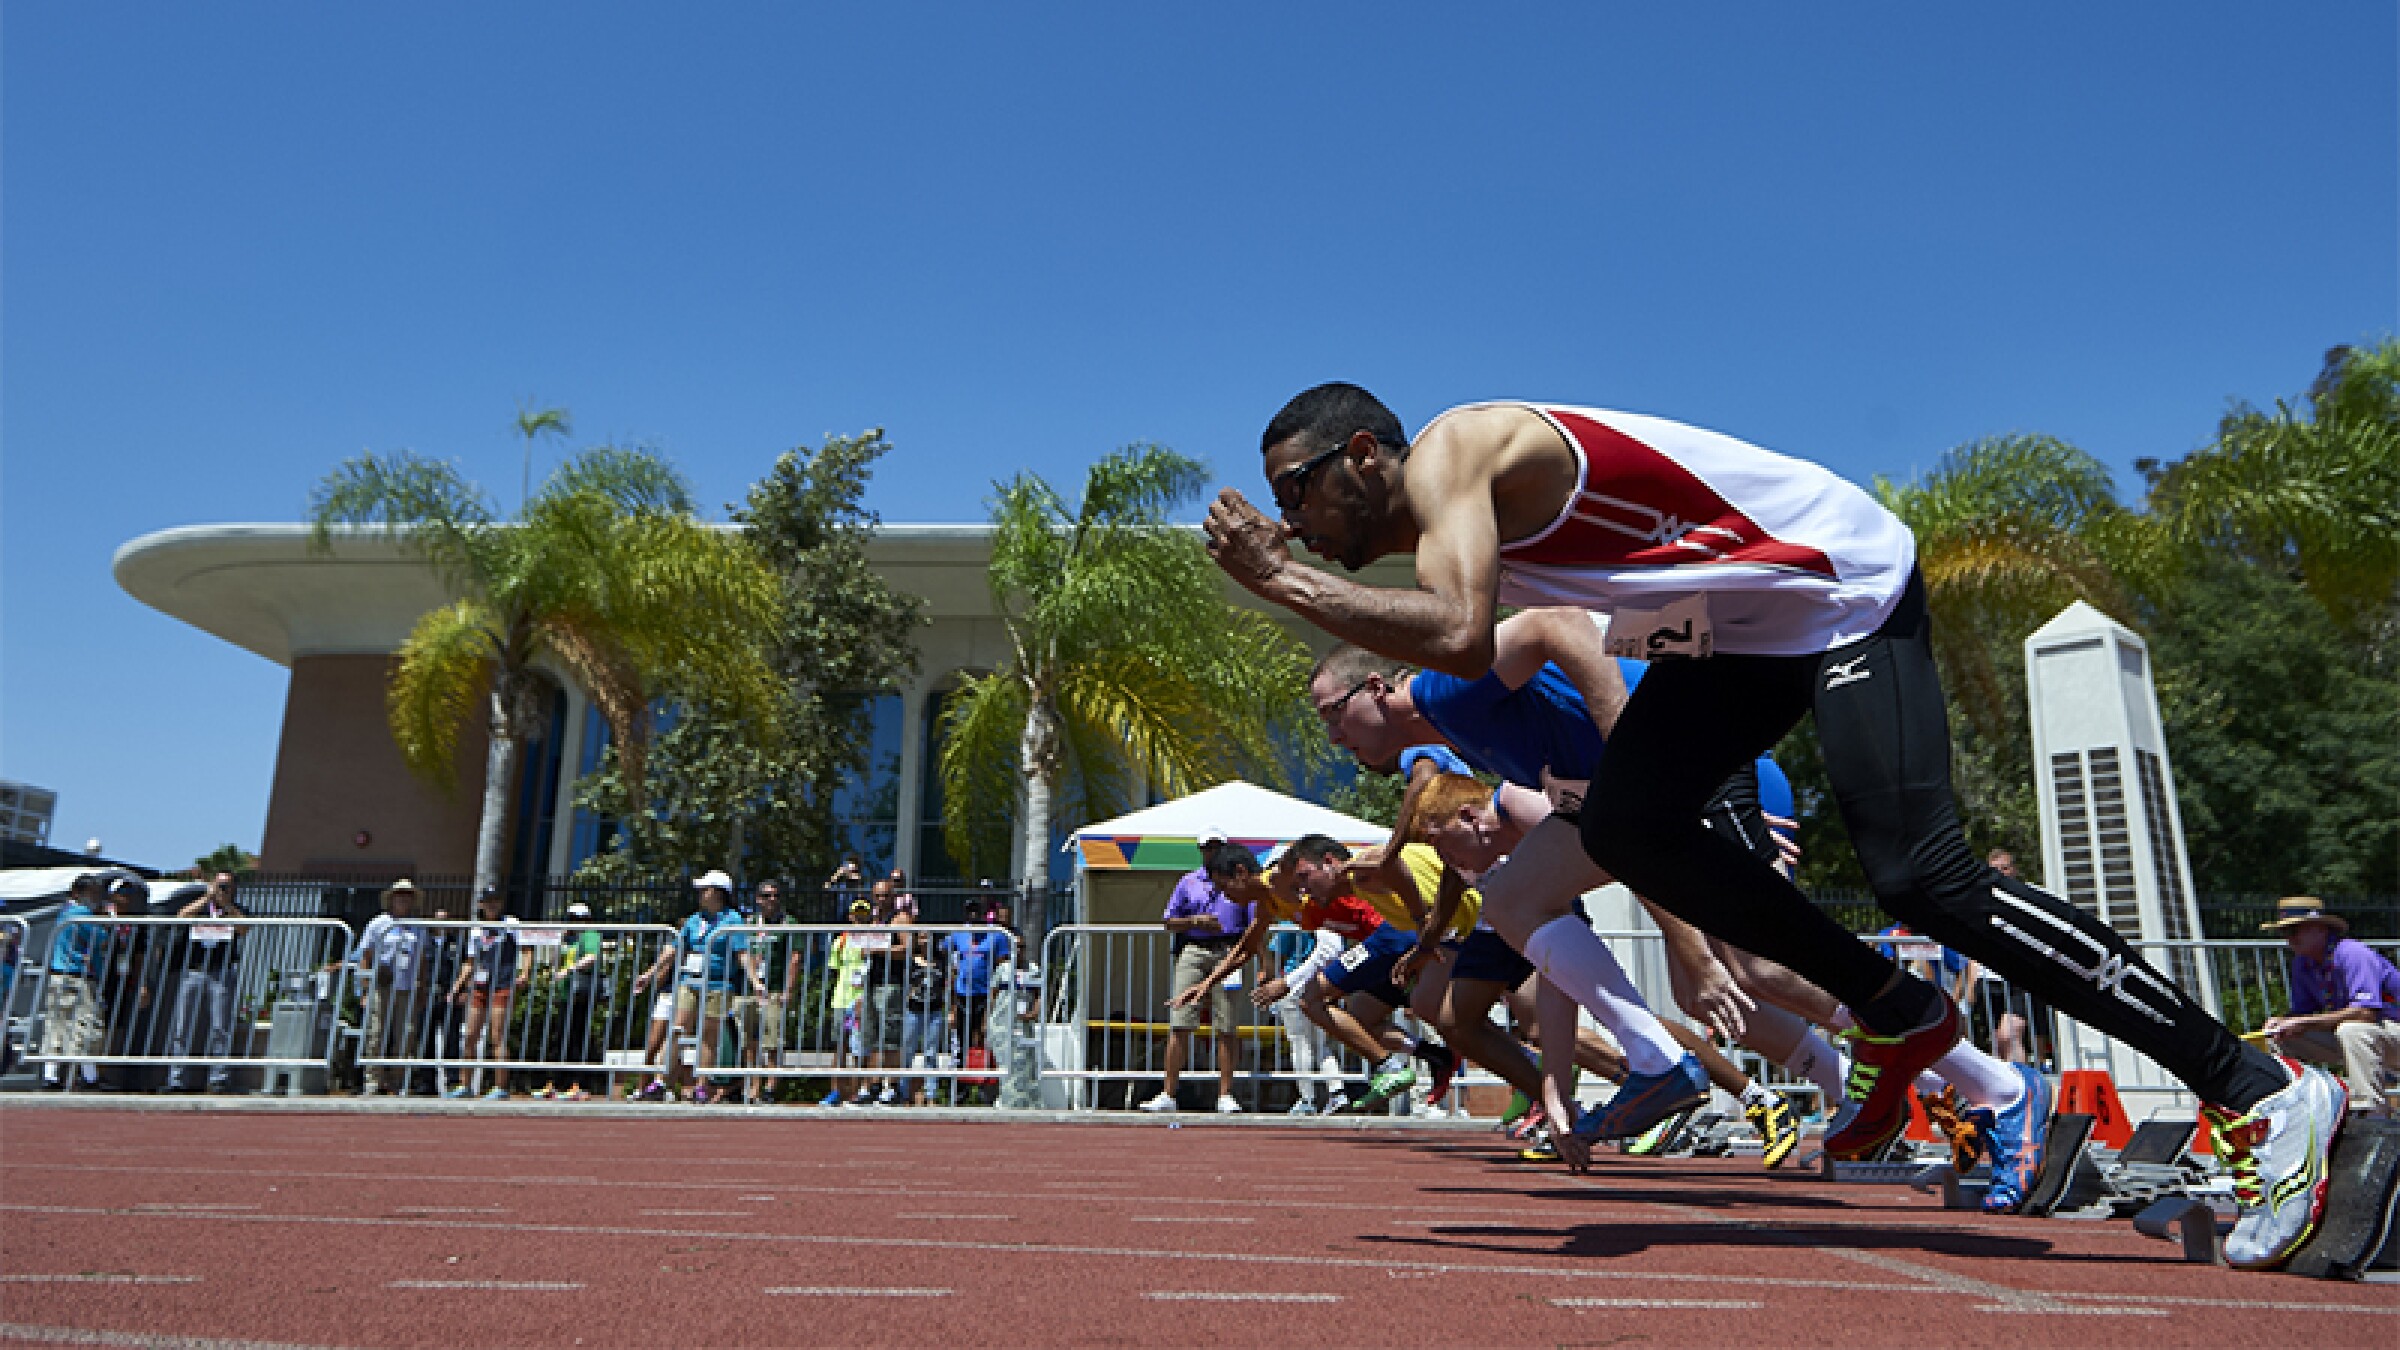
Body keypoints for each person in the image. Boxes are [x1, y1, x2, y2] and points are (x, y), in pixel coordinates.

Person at [1208, 383, 2339, 1269]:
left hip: (1843, 588)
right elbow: (1563, 610)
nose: (1295, 526)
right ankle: (1898, 1012)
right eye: (1283, 516)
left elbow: (1460, 634)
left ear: (1364, 454)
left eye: (1298, 493)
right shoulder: (1456, 528)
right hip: (1740, 630)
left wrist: (1277, 582)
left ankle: (2263, 1090)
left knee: (1924, 878)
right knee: (1638, 825)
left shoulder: (1458, 449)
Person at [2263, 897, 2399, 1120]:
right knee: (2280, 1037)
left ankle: (2373, 1112)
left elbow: (2366, 1012)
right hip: (2367, 1039)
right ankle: (2299, 1112)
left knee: (2353, 1030)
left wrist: (2302, 1022)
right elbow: (2301, 1014)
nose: (2289, 938)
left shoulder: (2353, 953)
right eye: (2283, 932)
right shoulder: (2302, 964)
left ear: (2320, 928)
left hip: (2389, 1034)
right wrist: (2282, 1022)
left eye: (2294, 929)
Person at [1142, 844, 1253, 1114]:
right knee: (1180, 1020)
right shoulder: (1188, 880)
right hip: (1193, 947)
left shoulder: (1243, 883)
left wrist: (1264, 962)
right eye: (1206, 847)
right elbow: (1168, 920)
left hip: (1229, 949)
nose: (1210, 852)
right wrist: (1195, 921)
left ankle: (1225, 1094)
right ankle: (1168, 1092)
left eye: (1216, 847)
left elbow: (1253, 925)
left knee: (1227, 1023)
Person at [632, 871, 748, 1103]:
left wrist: (755, 981)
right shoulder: (694, 920)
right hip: (689, 980)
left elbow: (741, 953)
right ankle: (660, 1081)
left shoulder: (733, 919)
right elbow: (674, 949)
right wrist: (649, 973)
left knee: (709, 1036)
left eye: (705, 889)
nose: (700, 893)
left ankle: (701, 1086)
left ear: (717, 892)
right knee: (676, 1029)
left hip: (718, 983)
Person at [163, 872, 244, 1094]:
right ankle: (176, 1078)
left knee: (220, 1027)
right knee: (183, 1026)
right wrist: (206, 899)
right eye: (219, 885)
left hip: (221, 971)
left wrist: (226, 906)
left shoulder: (236, 909)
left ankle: (219, 1078)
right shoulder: (200, 906)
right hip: (194, 970)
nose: (222, 889)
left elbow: (244, 928)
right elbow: (181, 916)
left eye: (227, 886)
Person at [446, 886, 524, 1100]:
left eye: (496, 900)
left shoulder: (510, 924)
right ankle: (465, 1084)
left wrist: (524, 973)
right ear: (481, 904)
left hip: (503, 983)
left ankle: (500, 1086)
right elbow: (470, 962)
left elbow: (526, 949)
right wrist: (458, 985)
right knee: (470, 1035)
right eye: (488, 901)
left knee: (497, 1035)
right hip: (480, 985)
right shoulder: (476, 929)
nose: (492, 905)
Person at [37, 874, 108, 1091]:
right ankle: (89, 1077)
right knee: (87, 1026)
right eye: (92, 894)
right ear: (78, 893)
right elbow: (102, 938)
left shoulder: (63, 914)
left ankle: (51, 1076)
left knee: (55, 1025)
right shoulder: (83, 914)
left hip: (57, 975)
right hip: (78, 976)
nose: (96, 898)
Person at [734, 881, 803, 1104]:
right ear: (758, 898)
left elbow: (795, 957)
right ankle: (753, 1085)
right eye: (767, 895)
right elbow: (742, 952)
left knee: (772, 1041)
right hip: (750, 989)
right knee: (749, 1041)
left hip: (774, 989)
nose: (772, 899)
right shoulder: (750, 923)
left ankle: (771, 1087)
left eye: (776, 895)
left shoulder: (788, 923)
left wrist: (788, 990)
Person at [355, 879, 425, 1097]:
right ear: (391, 898)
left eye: (407, 895)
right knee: (376, 1033)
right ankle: (372, 1080)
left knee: (406, 1035)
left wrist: (422, 986)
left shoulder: (418, 927)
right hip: (382, 986)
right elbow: (365, 956)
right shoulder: (378, 923)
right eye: (399, 894)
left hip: (406, 987)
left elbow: (422, 959)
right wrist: (365, 988)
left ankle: (397, 1080)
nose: (403, 899)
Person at [533, 902, 603, 1101]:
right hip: (566, 994)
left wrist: (570, 970)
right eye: (572, 918)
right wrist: (559, 941)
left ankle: (578, 1084)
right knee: (561, 1037)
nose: (575, 922)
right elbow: (555, 961)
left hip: (582, 994)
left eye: (579, 918)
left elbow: (591, 957)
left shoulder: (590, 935)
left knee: (577, 1039)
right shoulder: (569, 939)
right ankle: (556, 1082)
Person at [821, 895, 876, 1106]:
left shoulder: (874, 938)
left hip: (861, 998)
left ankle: (856, 1090)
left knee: (860, 1048)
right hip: (841, 999)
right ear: (851, 916)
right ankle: (836, 1091)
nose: (860, 919)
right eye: (857, 914)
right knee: (840, 1047)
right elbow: (835, 970)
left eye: (864, 914)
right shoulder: (841, 940)